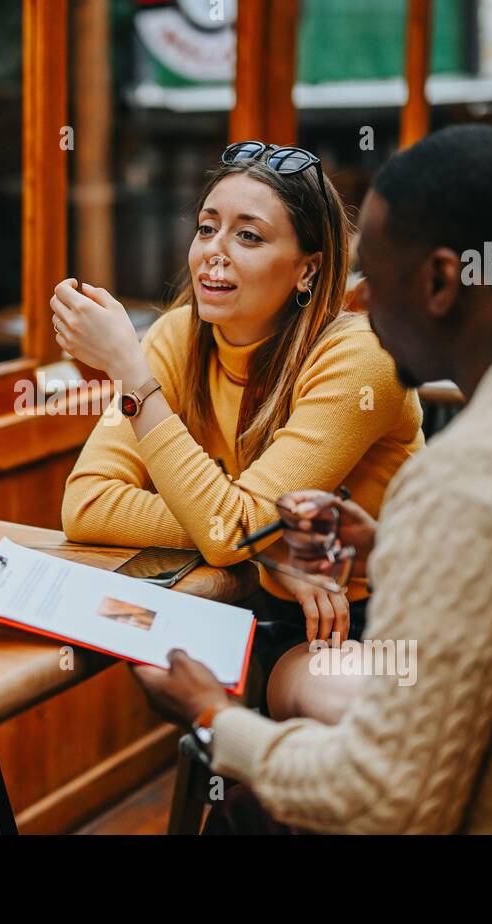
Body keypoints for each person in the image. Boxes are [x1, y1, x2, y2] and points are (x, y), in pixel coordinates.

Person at [132, 124, 492, 834]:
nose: (366, 312)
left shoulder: (469, 476)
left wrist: (211, 713)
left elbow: (387, 799)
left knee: (249, 804)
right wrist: (393, 550)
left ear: (440, 281)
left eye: (374, 278)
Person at [55, 141, 423, 721]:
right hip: (252, 603)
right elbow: (87, 503)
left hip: (373, 625)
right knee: (147, 656)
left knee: (330, 698)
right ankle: (245, 794)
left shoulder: (360, 359)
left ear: (309, 267)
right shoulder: (179, 335)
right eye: (207, 228)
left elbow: (232, 529)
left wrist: (130, 374)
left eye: (248, 236)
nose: (213, 254)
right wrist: (267, 548)